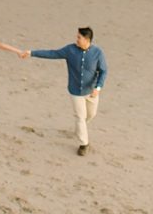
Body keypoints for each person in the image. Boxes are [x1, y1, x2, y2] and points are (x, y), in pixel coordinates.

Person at [25, 27, 108, 156]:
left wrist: (98, 88)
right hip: (75, 92)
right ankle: (84, 144)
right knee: (80, 117)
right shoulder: (70, 50)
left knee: (90, 115)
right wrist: (31, 53)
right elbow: (52, 54)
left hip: (91, 92)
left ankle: (80, 130)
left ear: (87, 39)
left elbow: (103, 71)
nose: (76, 39)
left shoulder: (98, 53)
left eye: (79, 37)